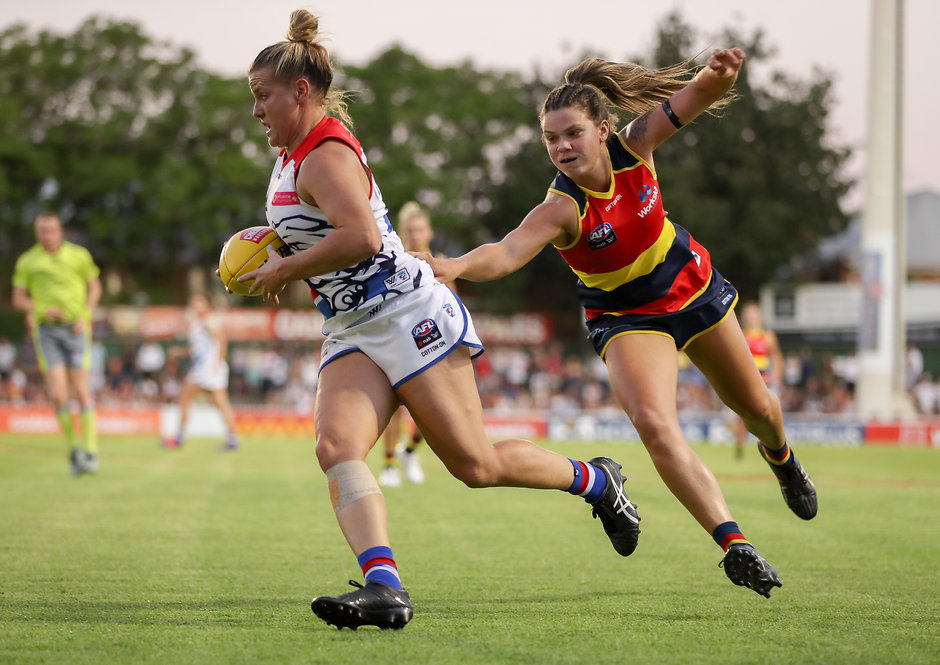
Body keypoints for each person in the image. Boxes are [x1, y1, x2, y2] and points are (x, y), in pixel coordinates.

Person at [239, 9, 640, 631]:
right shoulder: (294, 153)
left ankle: (594, 480)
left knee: (475, 467)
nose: (256, 111)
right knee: (336, 446)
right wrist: (277, 245)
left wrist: (284, 271)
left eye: (262, 97)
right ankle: (384, 587)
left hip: (406, 313)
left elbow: (363, 237)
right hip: (354, 327)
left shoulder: (321, 155)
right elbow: (329, 231)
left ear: (301, 92)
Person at [423, 48, 817, 599]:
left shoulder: (635, 146)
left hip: (691, 287)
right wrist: (458, 265)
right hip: (627, 317)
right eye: (550, 138)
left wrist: (717, 75)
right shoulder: (559, 208)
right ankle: (734, 543)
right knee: (655, 425)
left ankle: (782, 458)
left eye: (572, 134)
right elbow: (508, 251)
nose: (560, 147)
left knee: (758, 407)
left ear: (602, 130)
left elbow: (690, 101)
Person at [12, 213, 102, 476]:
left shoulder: (79, 255)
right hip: (47, 332)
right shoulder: (28, 260)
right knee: (59, 395)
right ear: (37, 233)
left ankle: (91, 451)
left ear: (60, 231)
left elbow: (94, 288)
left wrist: (84, 316)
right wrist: (40, 308)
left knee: (82, 390)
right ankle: (74, 449)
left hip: (75, 328)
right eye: (41, 231)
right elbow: (18, 298)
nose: (46, 235)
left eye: (51, 230)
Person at [377, 202, 439, 487]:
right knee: (395, 408)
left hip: (432, 344)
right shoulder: (395, 259)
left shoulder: (442, 264)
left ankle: (410, 450)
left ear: (430, 232)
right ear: (403, 232)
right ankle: (389, 464)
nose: (415, 235)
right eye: (410, 230)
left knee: (437, 408)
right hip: (399, 340)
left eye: (420, 229)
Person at [161, 293, 239, 451]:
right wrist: (179, 352)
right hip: (202, 368)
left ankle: (179, 438)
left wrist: (217, 363)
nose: (195, 306)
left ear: (206, 305)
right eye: (194, 303)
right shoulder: (197, 323)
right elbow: (198, 349)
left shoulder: (208, 320)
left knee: (190, 399)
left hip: (209, 369)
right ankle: (232, 440)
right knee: (216, 403)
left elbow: (221, 340)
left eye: (199, 303)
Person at [732, 302, 783, 459]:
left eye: (754, 315)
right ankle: (739, 447)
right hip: (744, 381)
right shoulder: (740, 334)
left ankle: (773, 447)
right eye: (749, 315)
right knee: (741, 417)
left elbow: (776, 357)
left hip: (764, 380)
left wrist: (776, 375)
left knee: (768, 417)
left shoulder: (768, 337)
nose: (751, 318)